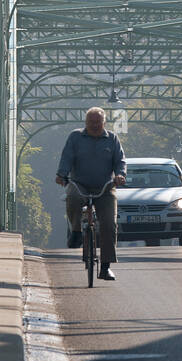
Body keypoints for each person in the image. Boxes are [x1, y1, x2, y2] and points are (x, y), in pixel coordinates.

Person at [56, 107, 126, 281]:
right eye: (91, 122)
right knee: (71, 197)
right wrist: (62, 174)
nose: (94, 126)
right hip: (80, 184)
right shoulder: (75, 137)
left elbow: (120, 161)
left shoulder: (112, 139)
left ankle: (105, 267)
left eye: (98, 122)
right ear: (85, 123)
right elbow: (66, 157)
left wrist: (120, 175)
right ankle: (77, 231)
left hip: (105, 188)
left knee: (109, 224)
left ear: (104, 123)